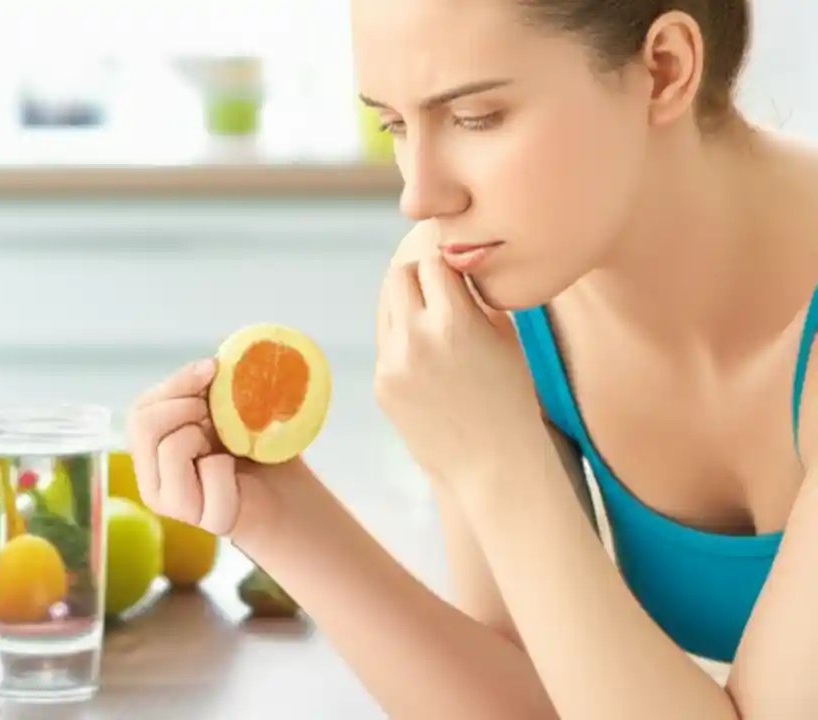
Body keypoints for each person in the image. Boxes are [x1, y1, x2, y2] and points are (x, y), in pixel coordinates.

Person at [125, 0, 818, 717]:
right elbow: (526, 702)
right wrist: (278, 517)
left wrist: (501, 462)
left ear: (664, 68)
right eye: (394, 124)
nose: (419, 195)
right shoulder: (492, 303)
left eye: (476, 117)